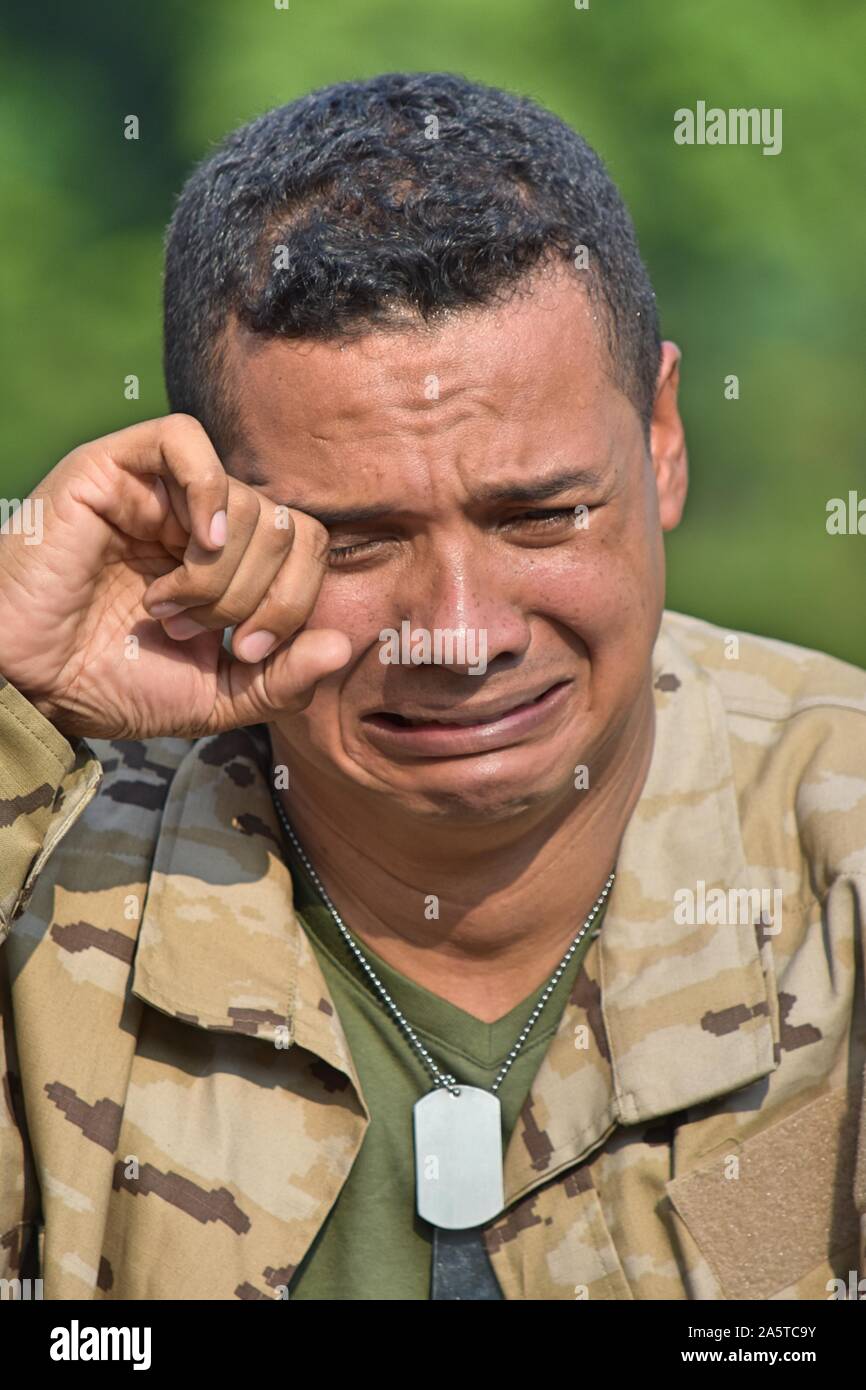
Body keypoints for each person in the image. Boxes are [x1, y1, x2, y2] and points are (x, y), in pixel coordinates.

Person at [1, 71, 864, 1302]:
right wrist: (12, 695)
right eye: (351, 540)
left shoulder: (843, 846)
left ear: (662, 442)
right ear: (211, 515)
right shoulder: (47, 876)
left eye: (541, 515)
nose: (455, 636)